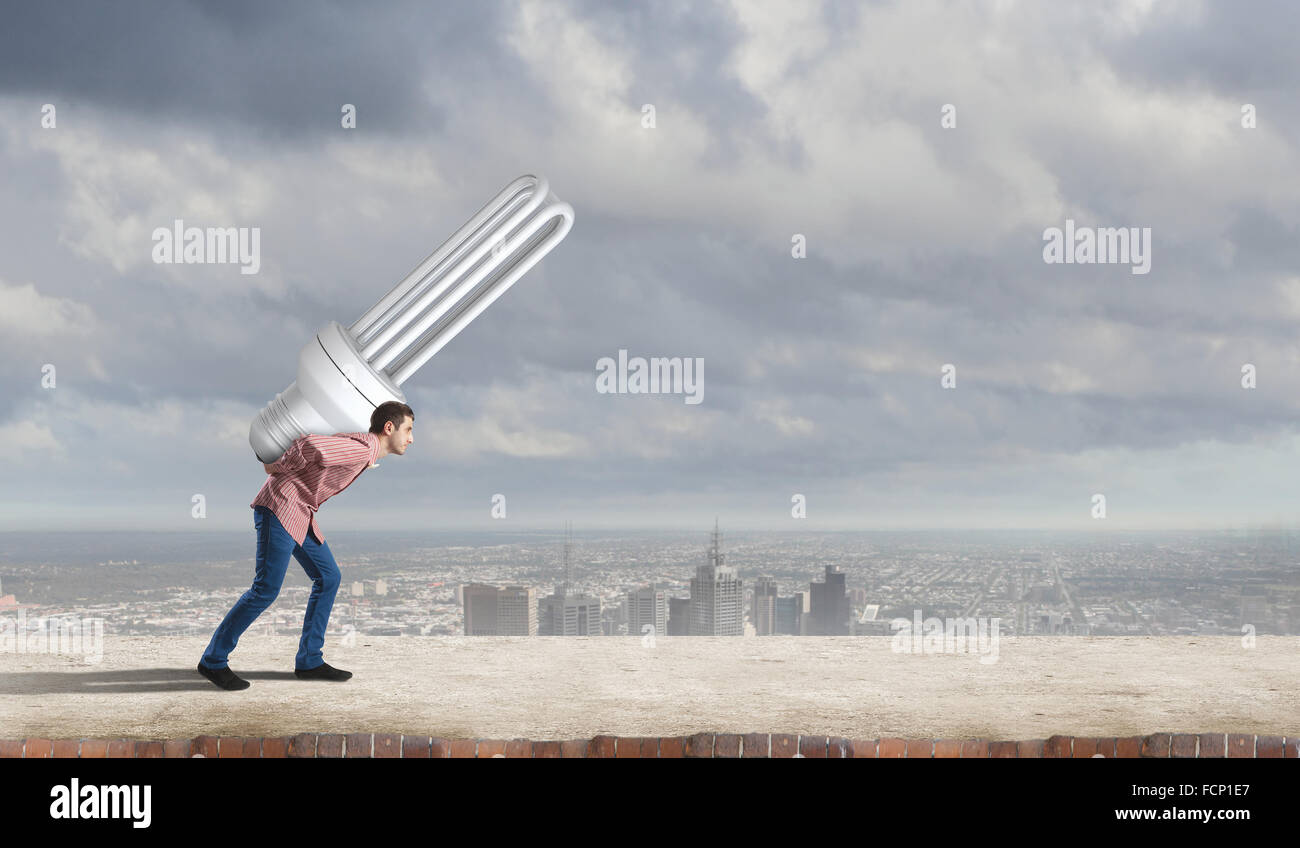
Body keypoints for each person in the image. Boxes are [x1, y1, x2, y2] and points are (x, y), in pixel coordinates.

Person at [196, 401, 414, 690]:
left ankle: (310, 660)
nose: (411, 438)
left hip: (299, 512)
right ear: (389, 428)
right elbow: (312, 445)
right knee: (265, 589)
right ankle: (213, 661)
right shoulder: (362, 449)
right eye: (408, 430)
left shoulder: (366, 453)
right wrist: (277, 466)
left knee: (329, 577)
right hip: (281, 507)